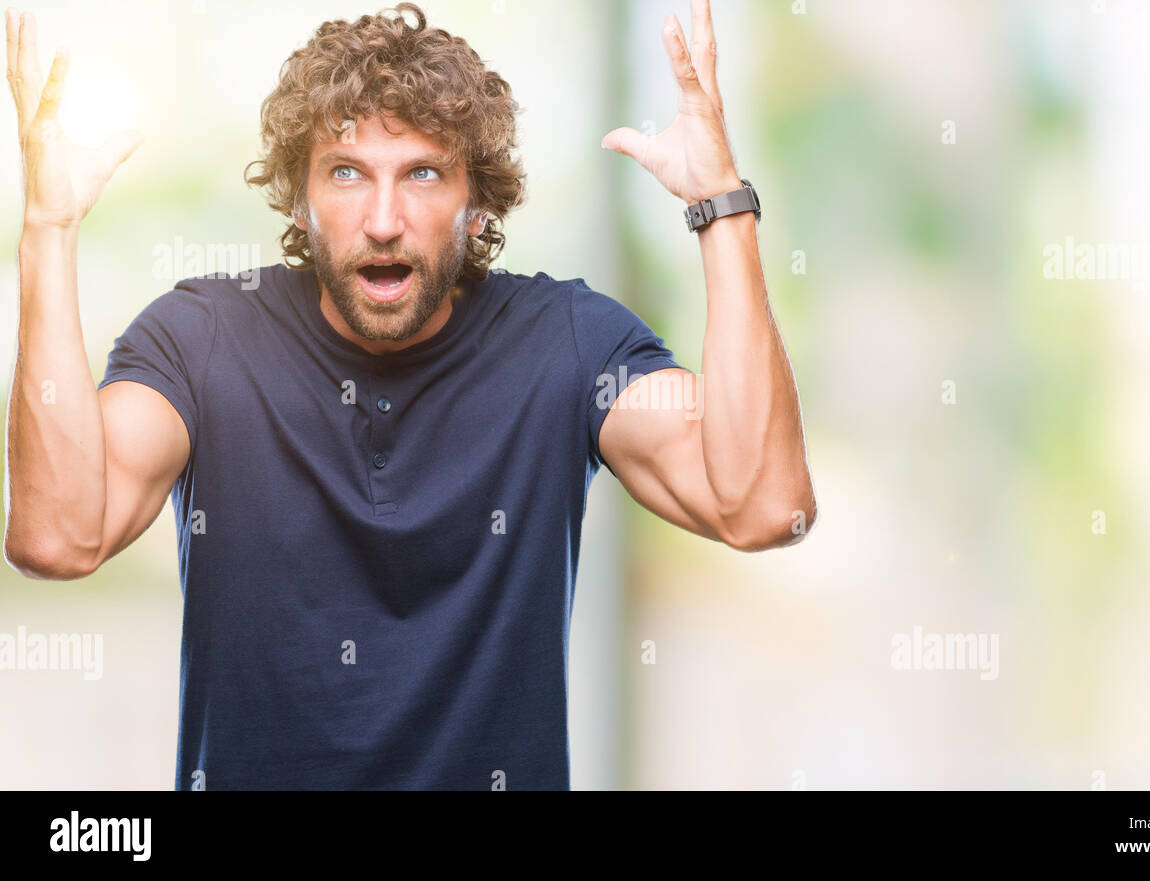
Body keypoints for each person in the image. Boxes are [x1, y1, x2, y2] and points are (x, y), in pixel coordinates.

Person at [3, 1, 816, 789]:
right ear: (299, 196)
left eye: (422, 173)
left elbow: (762, 505)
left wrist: (723, 206)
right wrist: (47, 230)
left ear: (477, 202)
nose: (384, 219)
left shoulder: (566, 343)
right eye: (347, 173)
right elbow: (59, 535)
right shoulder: (203, 339)